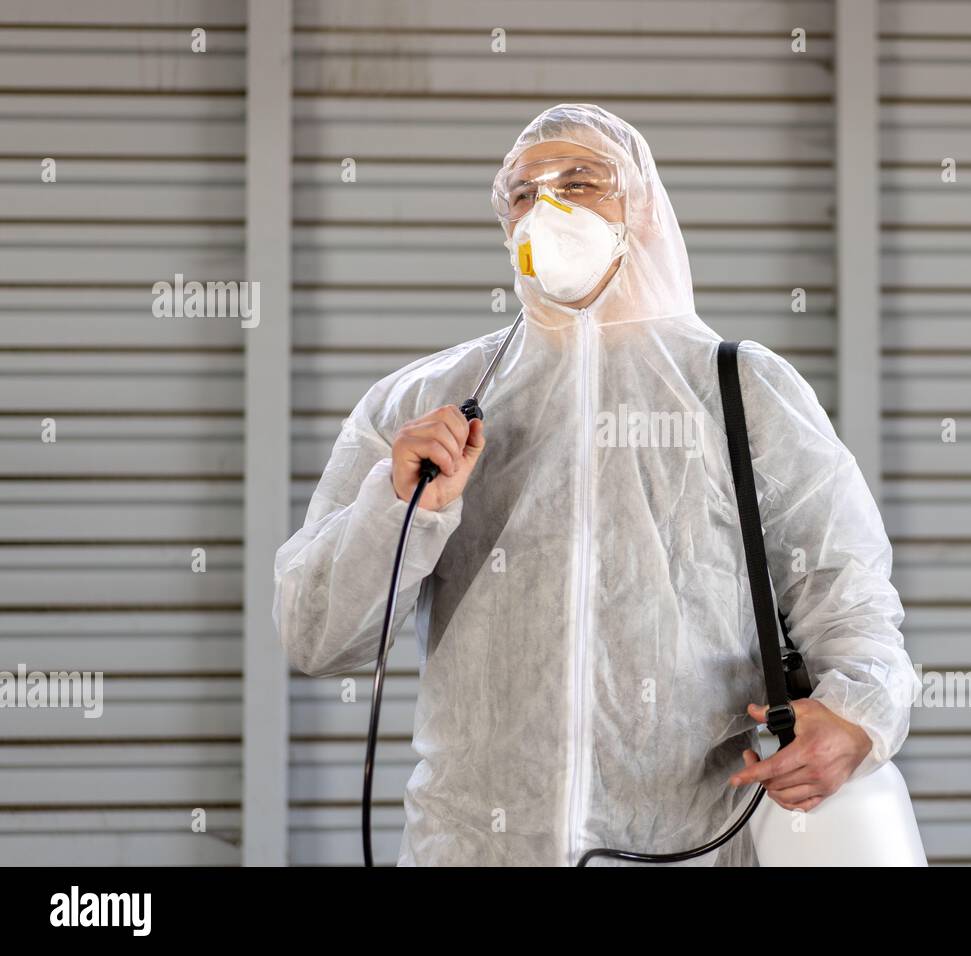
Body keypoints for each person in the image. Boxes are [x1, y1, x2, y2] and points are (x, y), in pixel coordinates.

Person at [273, 104, 920, 866]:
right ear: (506, 229)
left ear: (641, 209)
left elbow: (848, 594)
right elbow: (315, 636)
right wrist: (399, 508)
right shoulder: (423, 406)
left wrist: (859, 717)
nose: (549, 208)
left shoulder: (740, 389)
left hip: (691, 845)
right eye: (523, 193)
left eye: (582, 181)